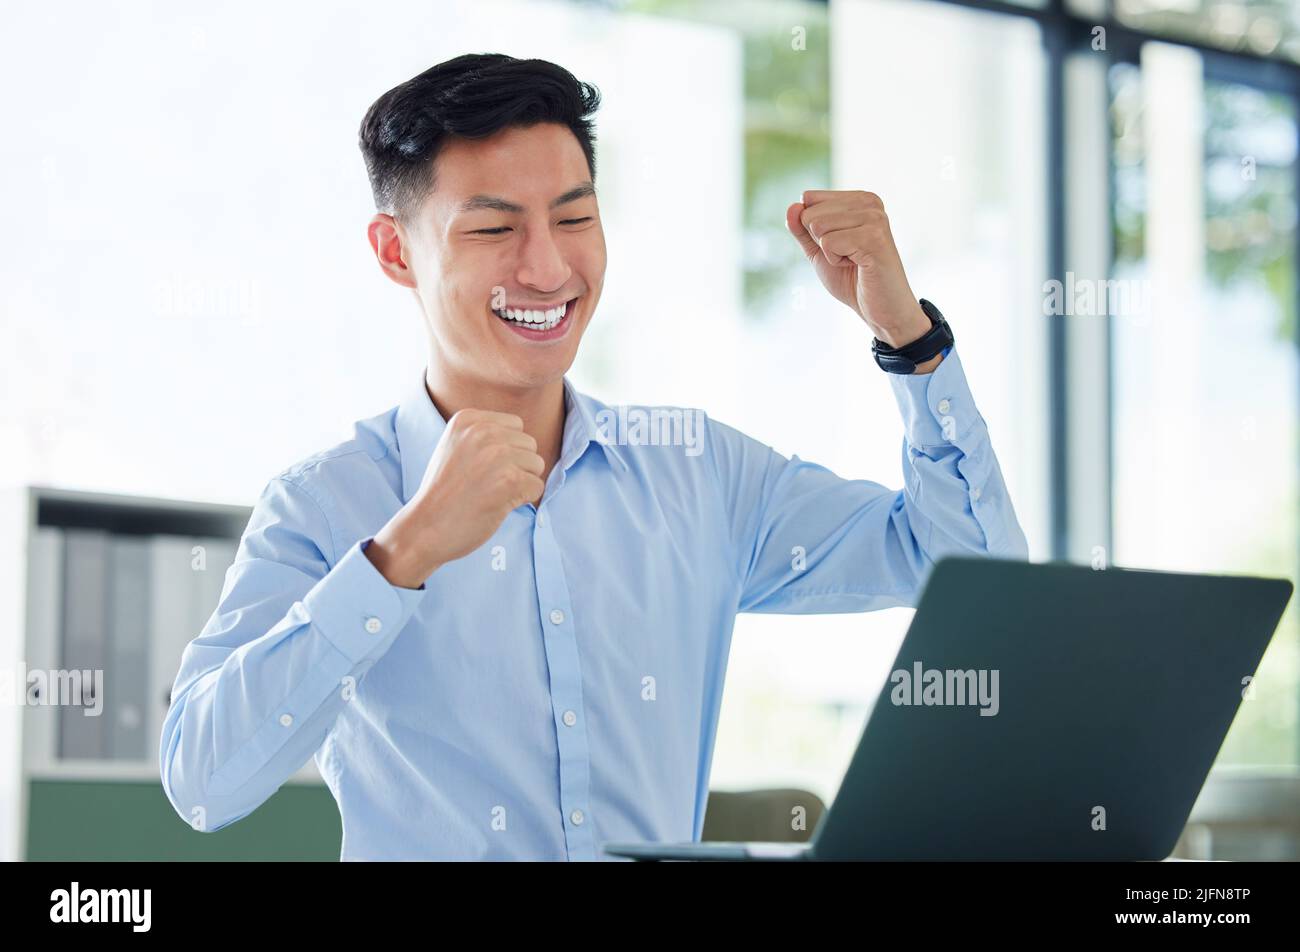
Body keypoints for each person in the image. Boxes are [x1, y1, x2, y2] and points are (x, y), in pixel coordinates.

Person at [160, 53, 1028, 860]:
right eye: (494, 229)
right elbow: (204, 782)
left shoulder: (697, 474)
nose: (546, 268)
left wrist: (908, 339)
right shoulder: (325, 504)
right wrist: (402, 556)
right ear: (397, 252)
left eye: (574, 217)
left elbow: (972, 568)